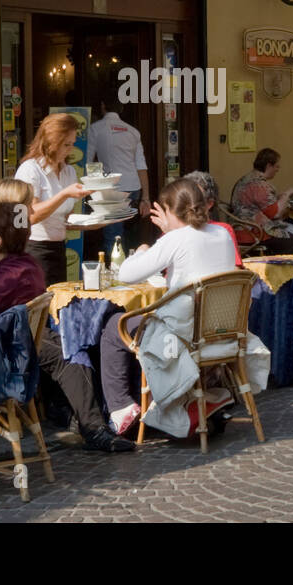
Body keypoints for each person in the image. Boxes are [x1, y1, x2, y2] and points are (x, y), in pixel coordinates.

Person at [0, 202, 134, 453]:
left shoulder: (7, 276)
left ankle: (91, 425)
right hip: (20, 338)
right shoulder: (28, 264)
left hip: (1, 350)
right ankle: (88, 423)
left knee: (68, 351)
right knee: (67, 350)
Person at [99, 179, 240, 437]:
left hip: (183, 335)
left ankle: (121, 408)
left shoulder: (175, 239)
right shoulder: (222, 233)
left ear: (169, 211)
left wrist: (142, 249)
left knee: (113, 326)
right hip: (220, 331)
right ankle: (185, 400)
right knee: (138, 322)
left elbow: (127, 274)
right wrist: (169, 231)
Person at [16, 113, 92, 285]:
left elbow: (66, 217)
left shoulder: (68, 171)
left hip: (58, 248)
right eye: (66, 144)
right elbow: (30, 216)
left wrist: (99, 219)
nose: (70, 149)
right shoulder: (30, 170)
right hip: (33, 249)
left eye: (72, 144)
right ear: (51, 142)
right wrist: (64, 194)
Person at [87, 92, 151, 250]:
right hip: (133, 187)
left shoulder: (96, 129)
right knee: (130, 233)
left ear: (103, 106)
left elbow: (87, 161)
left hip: (110, 189)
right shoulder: (133, 132)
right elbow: (141, 165)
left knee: (113, 235)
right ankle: (133, 266)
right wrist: (146, 197)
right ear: (121, 108)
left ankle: (115, 271)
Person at [230, 148, 293, 255]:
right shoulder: (259, 185)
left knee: (290, 233)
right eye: (276, 166)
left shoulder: (246, 179)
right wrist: (287, 194)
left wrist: (278, 198)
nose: (278, 169)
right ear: (269, 166)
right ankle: (285, 271)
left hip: (241, 228)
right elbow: (276, 213)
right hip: (253, 232)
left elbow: (260, 205)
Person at [184, 170, 243, 266]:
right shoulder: (173, 228)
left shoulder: (222, 230)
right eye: (185, 197)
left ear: (209, 204)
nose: (188, 204)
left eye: (195, 199)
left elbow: (235, 267)